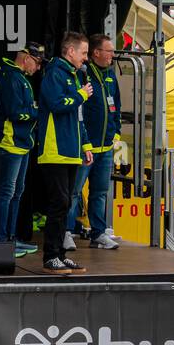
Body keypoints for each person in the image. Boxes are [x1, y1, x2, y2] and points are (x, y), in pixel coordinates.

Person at [36, 31, 93, 274]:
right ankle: (50, 256)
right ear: (70, 51)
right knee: (59, 202)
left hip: (71, 149)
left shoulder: (75, 75)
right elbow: (57, 104)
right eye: (83, 53)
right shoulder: (54, 73)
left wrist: (86, 145)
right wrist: (81, 95)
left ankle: (60, 254)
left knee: (67, 202)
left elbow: (78, 116)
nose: (86, 58)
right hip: (54, 149)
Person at [66, 33, 121, 250]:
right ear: (96, 53)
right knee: (74, 191)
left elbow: (116, 105)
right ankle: (66, 231)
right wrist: (84, 140)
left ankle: (98, 233)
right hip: (85, 147)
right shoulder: (83, 73)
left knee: (100, 193)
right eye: (109, 51)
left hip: (105, 147)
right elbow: (77, 110)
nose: (113, 55)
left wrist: (115, 132)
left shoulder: (111, 75)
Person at [0, 42, 45, 258]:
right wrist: (36, 111)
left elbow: (25, 110)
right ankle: (1, 240)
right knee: (7, 191)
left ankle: (11, 239)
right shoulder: (11, 76)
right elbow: (15, 113)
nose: (38, 68)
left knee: (17, 192)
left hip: (23, 142)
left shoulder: (20, 78)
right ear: (25, 58)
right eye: (37, 62)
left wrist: (32, 110)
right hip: (9, 142)